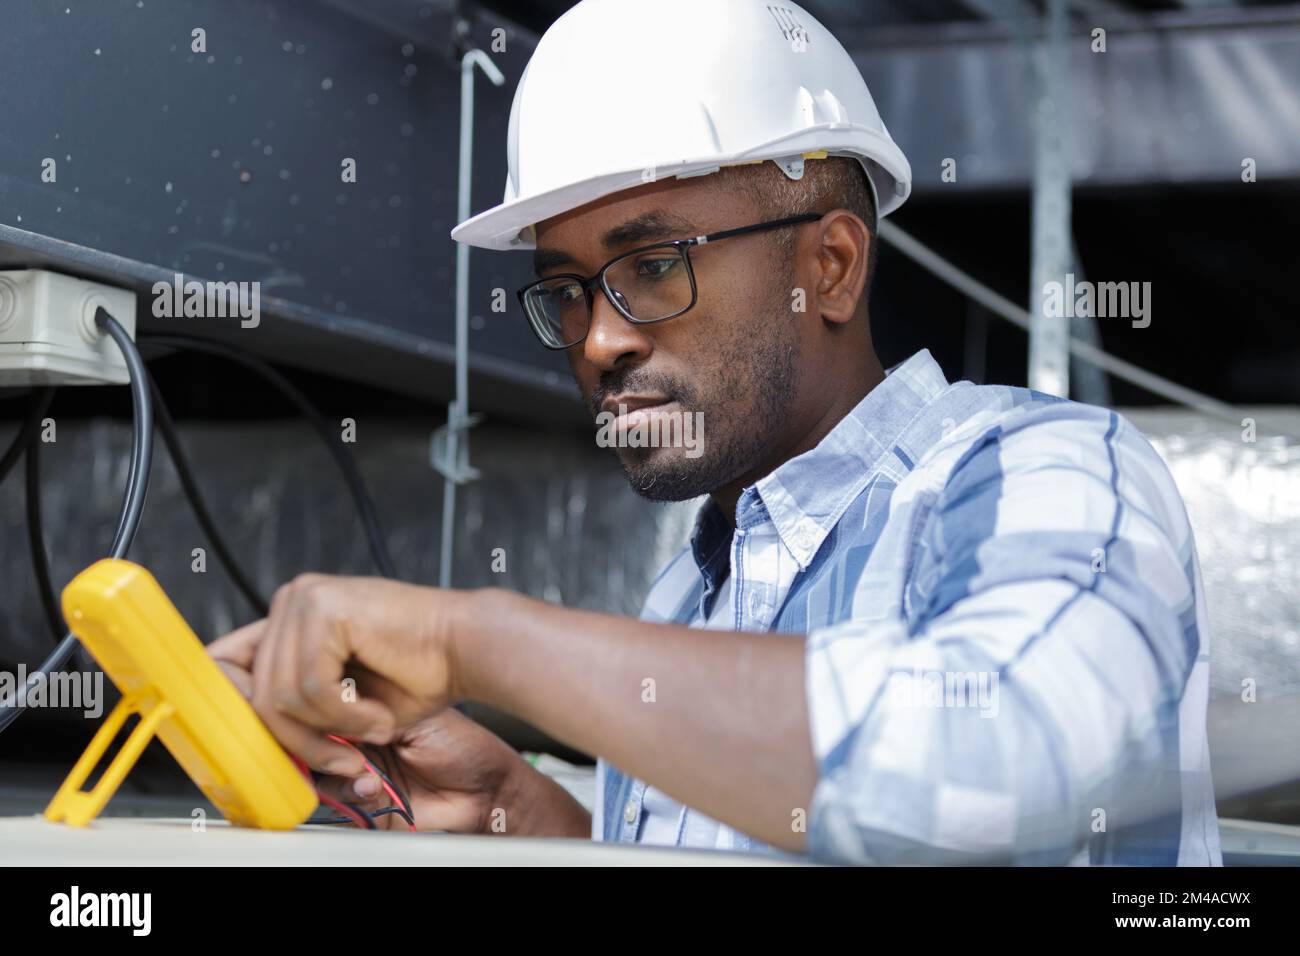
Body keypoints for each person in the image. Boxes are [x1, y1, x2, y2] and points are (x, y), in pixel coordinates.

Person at [209, 0, 1221, 865]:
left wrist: (469, 636)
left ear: (828, 265)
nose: (597, 338)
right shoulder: (693, 591)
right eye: (564, 289)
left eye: (652, 264)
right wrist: (519, 811)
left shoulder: (1045, 469)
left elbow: (1006, 743)